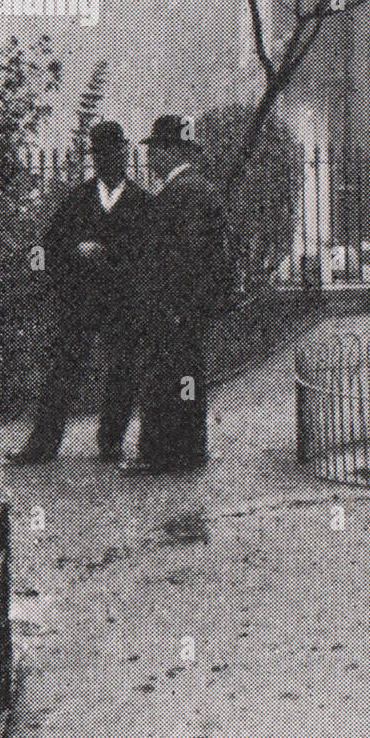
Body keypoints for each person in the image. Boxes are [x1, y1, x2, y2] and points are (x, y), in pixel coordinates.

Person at [6, 122, 149, 464]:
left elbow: (149, 255)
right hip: (80, 303)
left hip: (121, 304)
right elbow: (46, 248)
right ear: (94, 158)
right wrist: (74, 252)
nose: (107, 161)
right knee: (63, 370)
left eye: (114, 153)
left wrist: (111, 257)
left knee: (122, 370)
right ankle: (42, 445)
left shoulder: (142, 203)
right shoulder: (78, 199)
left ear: (125, 153)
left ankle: (110, 441)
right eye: (99, 155)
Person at [123, 116, 232, 474]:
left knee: (162, 379)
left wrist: (173, 306)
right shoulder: (199, 188)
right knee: (187, 379)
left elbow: (185, 254)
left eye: (154, 150)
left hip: (172, 309)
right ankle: (189, 449)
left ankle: (156, 454)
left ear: (170, 152)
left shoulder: (181, 193)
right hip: (187, 309)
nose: (150, 158)